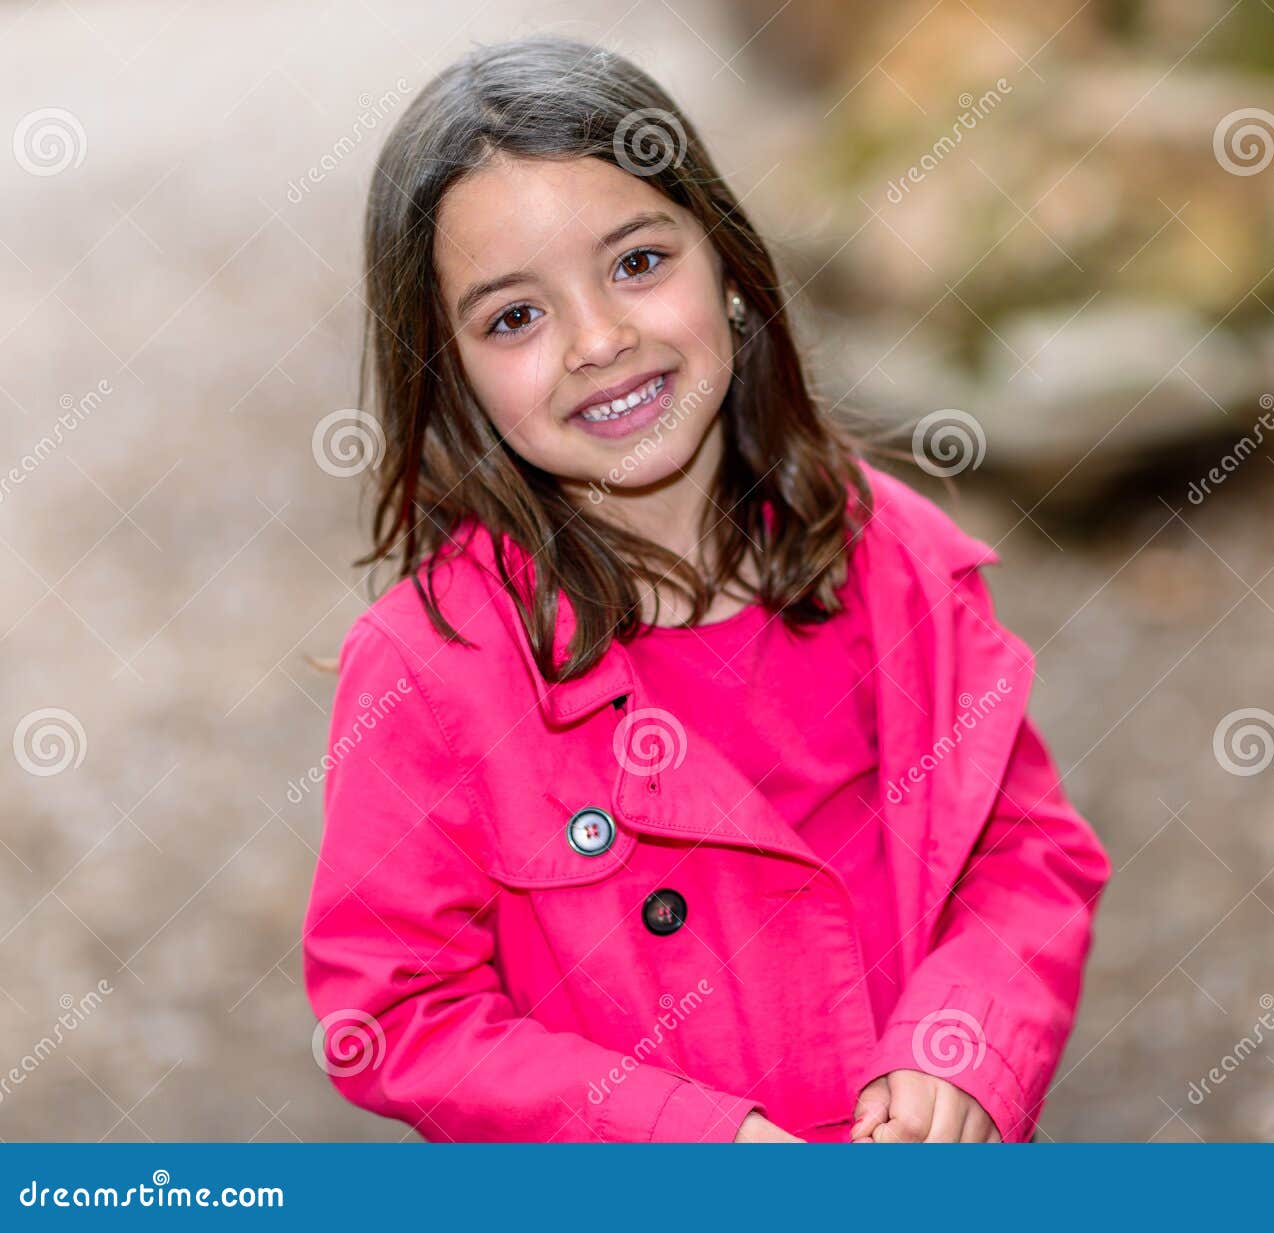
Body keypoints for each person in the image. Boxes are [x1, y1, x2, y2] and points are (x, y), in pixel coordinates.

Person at [301, 34, 1111, 1144]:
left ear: (727, 266)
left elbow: (1026, 852)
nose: (599, 339)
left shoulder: (893, 557)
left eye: (637, 262)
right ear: (449, 378)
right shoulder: (428, 670)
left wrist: (964, 1044)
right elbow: (396, 1013)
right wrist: (684, 1139)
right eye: (515, 317)